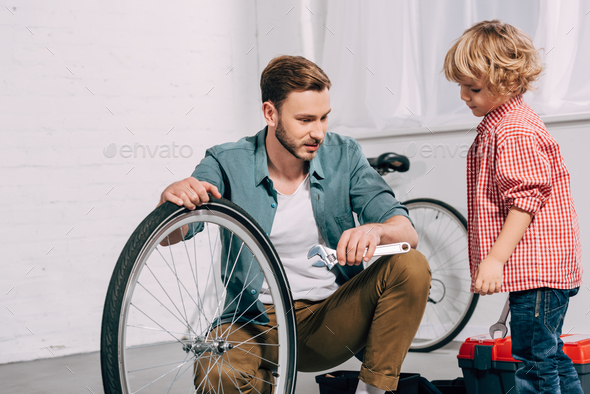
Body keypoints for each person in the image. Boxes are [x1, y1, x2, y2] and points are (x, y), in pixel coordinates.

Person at [158, 55, 431, 394]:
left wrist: (376, 230)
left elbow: (407, 233)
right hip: (251, 321)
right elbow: (170, 236)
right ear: (270, 113)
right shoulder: (227, 161)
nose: (318, 132)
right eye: (304, 120)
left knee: (411, 265)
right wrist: (172, 200)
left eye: (324, 118)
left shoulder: (344, 154)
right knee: (219, 375)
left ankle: (373, 391)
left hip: (327, 320)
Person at [444, 20, 584, 393]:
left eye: (472, 87)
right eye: (460, 86)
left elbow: (524, 201)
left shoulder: (514, 130)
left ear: (507, 81)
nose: (462, 95)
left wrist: (495, 260)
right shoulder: (501, 125)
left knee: (534, 363)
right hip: (545, 273)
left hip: (539, 273)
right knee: (549, 356)